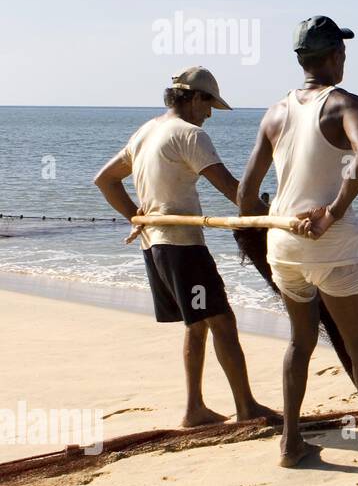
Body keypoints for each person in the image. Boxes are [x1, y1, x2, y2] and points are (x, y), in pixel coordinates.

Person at [237, 16, 358, 474]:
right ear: (335, 57)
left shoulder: (275, 111)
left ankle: (290, 444)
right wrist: (333, 211)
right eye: (343, 52)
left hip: (284, 247)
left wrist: (274, 220)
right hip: (331, 246)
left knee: (300, 342)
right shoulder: (345, 104)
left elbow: (245, 196)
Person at [93, 67, 277, 428]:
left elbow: (105, 180)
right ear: (194, 98)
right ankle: (247, 407)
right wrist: (268, 213)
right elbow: (234, 193)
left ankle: (195, 409)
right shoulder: (190, 135)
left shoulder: (147, 131)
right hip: (182, 247)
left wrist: (138, 216)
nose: (210, 115)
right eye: (209, 105)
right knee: (222, 321)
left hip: (155, 246)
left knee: (197, 324)